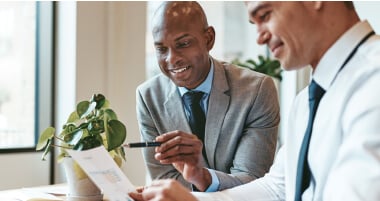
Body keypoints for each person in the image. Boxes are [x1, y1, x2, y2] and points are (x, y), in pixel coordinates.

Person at [130, 1, 380, 201]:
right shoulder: (306, 100)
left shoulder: (374, 80)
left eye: (266, 15)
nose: (259, 37)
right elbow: (278, 188)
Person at [135, 1, 280, 192]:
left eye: (183, 44)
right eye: (162, 49)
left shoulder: (256, 91)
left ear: (209, 39)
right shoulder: (148, 97)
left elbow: (253, 182)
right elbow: (166, 182)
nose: (171, 58)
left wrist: (201, 176)